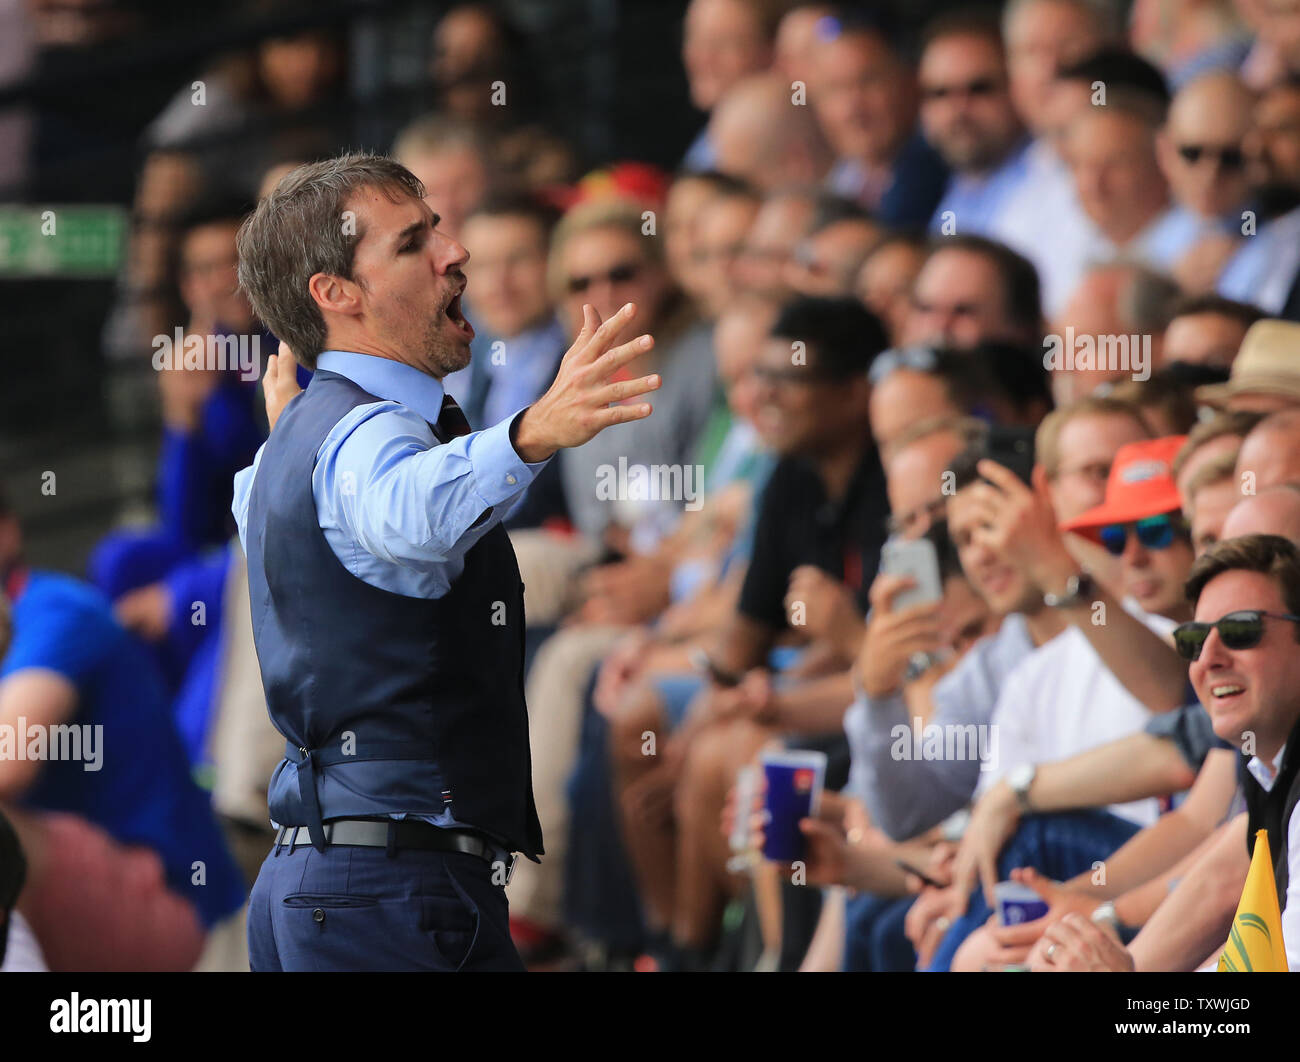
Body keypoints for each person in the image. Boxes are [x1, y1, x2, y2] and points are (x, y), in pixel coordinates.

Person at [233, 153, 662, 972]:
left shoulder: (315, 432)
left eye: (437, 228)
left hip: (324, 891)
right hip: (390, 900)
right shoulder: (366, 433)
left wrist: (294, 429)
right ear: (336, 294)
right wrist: (535, 431)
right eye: (412, 244)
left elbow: (270, 511)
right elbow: (412, 515)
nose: (454, 253)